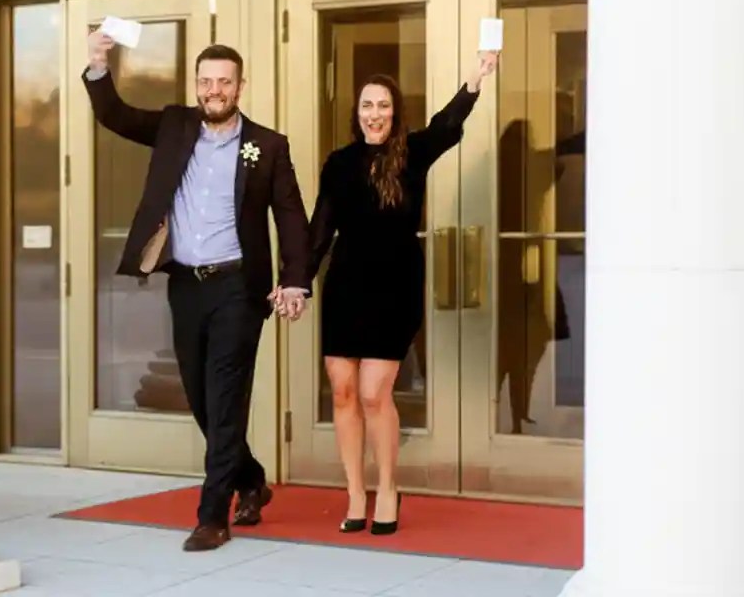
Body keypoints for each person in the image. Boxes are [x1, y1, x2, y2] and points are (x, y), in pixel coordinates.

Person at [82, 30, 312, 552]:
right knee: (202, 398)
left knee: (226, 395)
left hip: (238, 286)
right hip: (185, 284)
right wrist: (98, 62)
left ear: (240, 86)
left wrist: (295, 278)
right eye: (206, 81)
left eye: (224, 82)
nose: (214, 90)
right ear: (197, 85)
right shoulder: (174, 126)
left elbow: (291, 214)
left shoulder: (267, 146)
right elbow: (115, 115)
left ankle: (213, 515)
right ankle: (250, 478)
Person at [289, 51, 499, 535]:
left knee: (372, 393)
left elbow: (447, 125)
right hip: (345, 284)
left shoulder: (412, 152)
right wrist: (298, 280)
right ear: (356, 112)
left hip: (394, 285)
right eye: (366, 105)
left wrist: (474, 79)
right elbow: (321, 228)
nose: (374, 114)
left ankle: (387, 488)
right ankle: (355, 494)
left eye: (383, 105)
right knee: (342, 392)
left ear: (394, 111)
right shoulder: (339, 164)